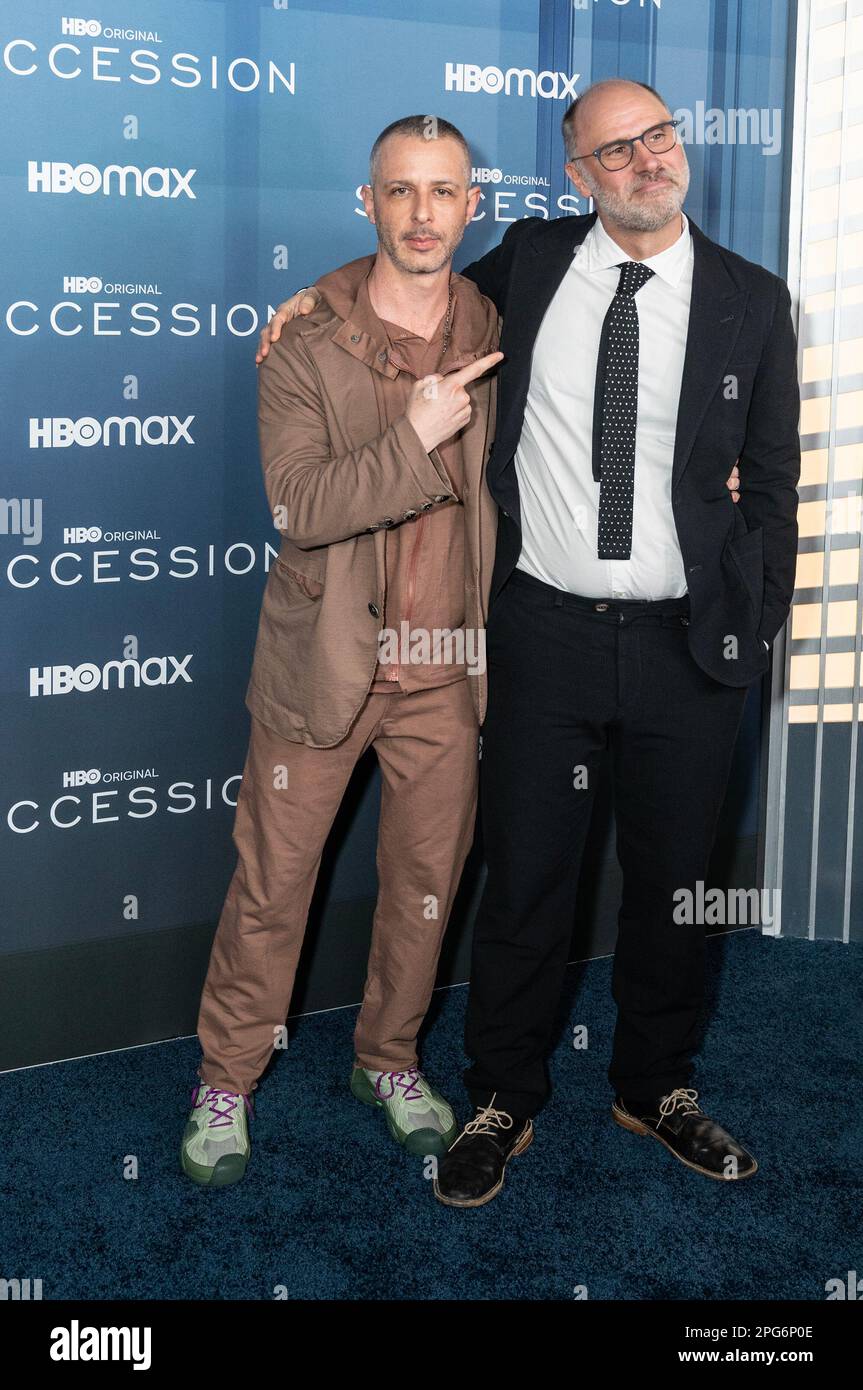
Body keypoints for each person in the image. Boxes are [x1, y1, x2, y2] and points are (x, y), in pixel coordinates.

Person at [257, 81, 762, 1208]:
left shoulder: (750, 299)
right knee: (526, 880)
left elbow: (767, 483)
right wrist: (308, 297)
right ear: (576, 174)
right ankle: (500, 1095)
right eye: (612, 149)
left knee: (678, 889)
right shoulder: (527, 267)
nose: (643, 161)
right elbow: (401, 284)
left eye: (657, 137)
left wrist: (747, 608)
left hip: (688, 647)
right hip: (542, 632)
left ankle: (656, 1086)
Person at [181, 114, 502, 1187]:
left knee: (424, 883)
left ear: (472, 203)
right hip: (322, 660)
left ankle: (389, 1060)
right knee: (272, 886)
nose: (421, 212)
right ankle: (225, 1077)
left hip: (442, 663)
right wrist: (411, 435)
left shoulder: (489, 316)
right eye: (398, 190)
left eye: (441, 191)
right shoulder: (305, 339)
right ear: (366, 202)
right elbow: (300, 503)